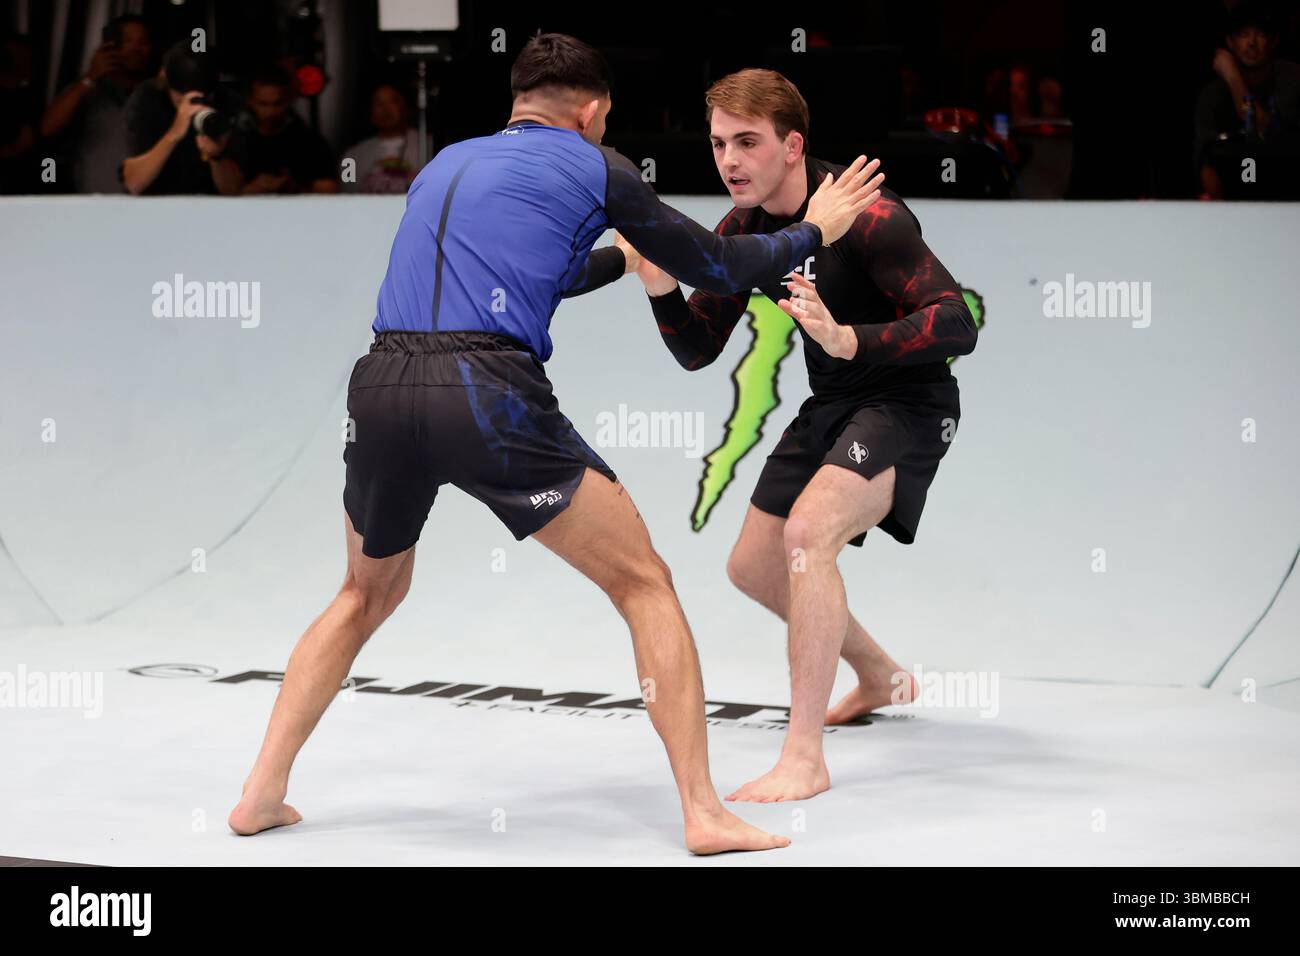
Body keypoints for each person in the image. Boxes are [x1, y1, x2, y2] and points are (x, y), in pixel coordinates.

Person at [227, 34, 881, 854]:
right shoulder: (595, 165)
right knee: (645, 584)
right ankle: (704, 813)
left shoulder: (445, 165)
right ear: (594, 110)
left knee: (362, 594)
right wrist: (814, 230)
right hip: (486, 393)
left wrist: (617, 257)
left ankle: (260, 793)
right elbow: (718, 265)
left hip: (381, 386)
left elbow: (544, 271)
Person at [623, 68, 976, 803]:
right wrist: (659, 284)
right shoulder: (743, 229)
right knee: (752, 566)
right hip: (833, 404)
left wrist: (851, 339)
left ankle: (804, 756)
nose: (729, 160)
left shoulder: (870, 217)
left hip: (906, 401)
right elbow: (698, 349)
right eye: (719, 142)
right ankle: (881, 676)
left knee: (807, 537)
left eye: (747, 142)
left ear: (794, 147)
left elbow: (956, 322)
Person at [1195, 0, 1300, 199]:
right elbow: (1204, 159)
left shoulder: (1291, 78)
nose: (1251, 43)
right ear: (1230, 42)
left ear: (1274, 40)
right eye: (1243, 35)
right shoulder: (1213, 93)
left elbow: (1268, 134)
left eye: (1260, 34)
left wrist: (1233, 76)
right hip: (1233, 199)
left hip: (1286, 193)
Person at [41, 14, 153, 193]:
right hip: (95, 203)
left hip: (148, 204)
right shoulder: (87, 90)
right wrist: (90, 77)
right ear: (109, 46)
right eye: (128, 41)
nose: (137, 48)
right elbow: (47, 128)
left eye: (143, 42)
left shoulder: (157, 93)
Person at [120, 42, 242, 196]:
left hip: (210, 209)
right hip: (155, 208)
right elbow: (133, 183)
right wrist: (174, 134)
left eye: (199, 98)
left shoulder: (227, 101)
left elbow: (235, 191)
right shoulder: (148, 99)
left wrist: (216, 156)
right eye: (181, 99)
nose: (190, 105)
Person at [228, 67, 338, 195]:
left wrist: (293, 189)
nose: (271, 112)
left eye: (278, 104)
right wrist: (250, 191)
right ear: (250, 101)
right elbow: (224, 193)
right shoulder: (235, 141)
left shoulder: (312, 144)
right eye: (263, 104)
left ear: (289, 101)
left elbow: (329, 196)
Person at [341, 83, 424, 194]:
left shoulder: (428, 146)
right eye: (378, 104)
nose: (386, 109)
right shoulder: (351, 156)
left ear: (405, 107)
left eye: (393, 101)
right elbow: (346, 197)